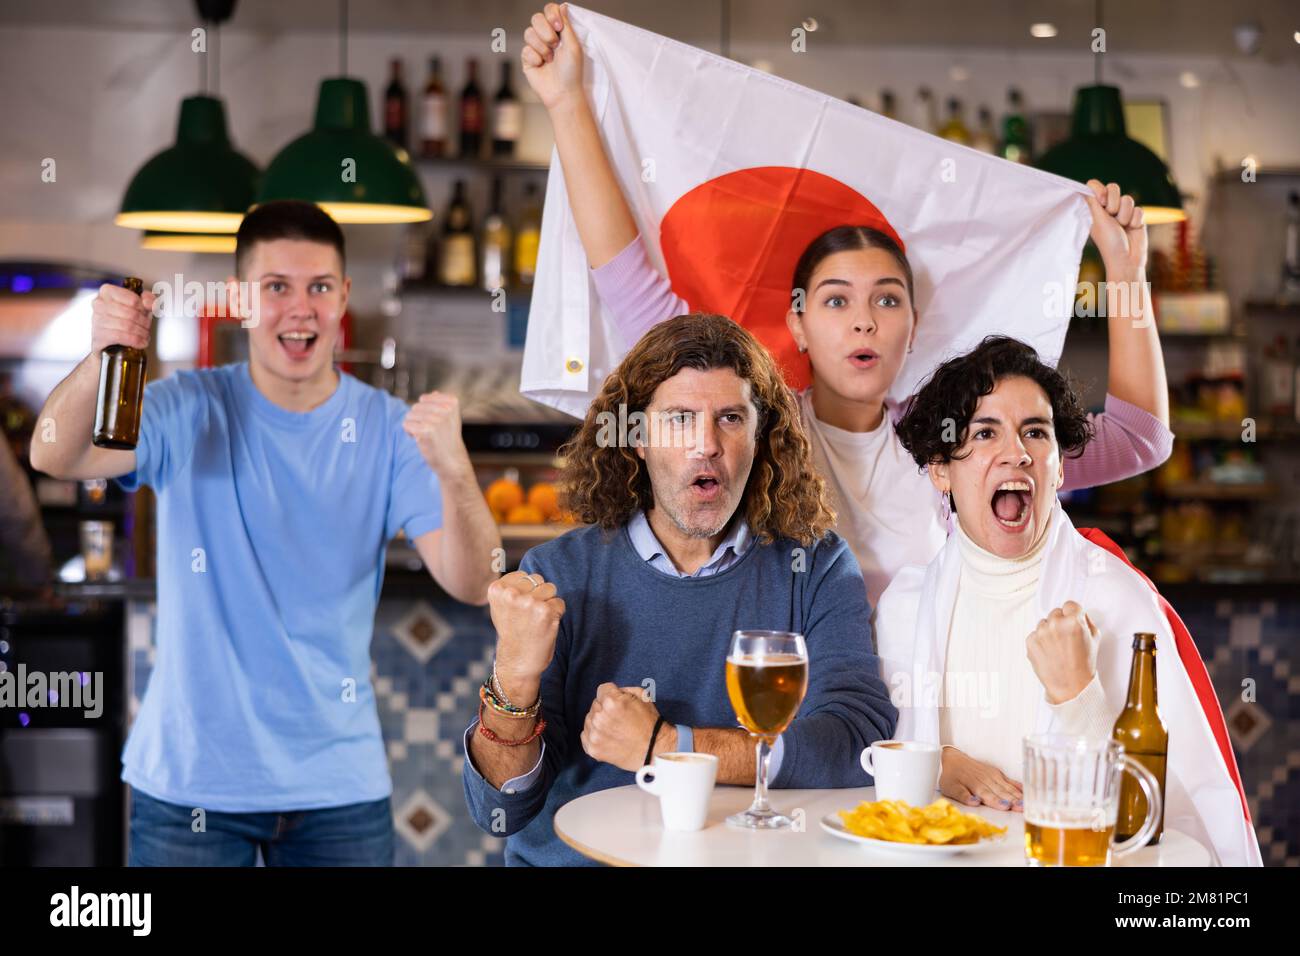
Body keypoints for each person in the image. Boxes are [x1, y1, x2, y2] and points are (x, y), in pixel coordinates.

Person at [519, 2, 1173, 606]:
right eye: (836, 301)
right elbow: (627, 283)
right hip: (788, 719)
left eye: (888, 300)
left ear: (914, 328)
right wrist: (567, 102)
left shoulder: (953, 443)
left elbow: (1138, 441)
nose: (864, 319)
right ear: (797, 325)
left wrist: (1124, 269)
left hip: (930, 730)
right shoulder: (753, 427)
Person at [29, 200, 501, 866]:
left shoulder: (388, 430)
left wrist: (455, 472)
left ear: (343, 296)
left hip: (336, 789)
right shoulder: (185, 406)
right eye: (276, 287)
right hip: (191, 786)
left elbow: (478, 582)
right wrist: (105, 355)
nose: (299, 307)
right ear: (242, 301)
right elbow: (53, 454)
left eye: (318, 286)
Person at [462, 313, 897, 865]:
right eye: (679, 419)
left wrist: (669, 745)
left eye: (731, 418)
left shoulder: (815, 566)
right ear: (637, 441)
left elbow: (853, 743)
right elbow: (500, 809)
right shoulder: (560, 573)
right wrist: (515, 678)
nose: (706, 445)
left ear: (760, 438)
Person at [875, 335, 1261, 866]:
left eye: (1036, 432)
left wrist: (1079, 697)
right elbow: (867, 770)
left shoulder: (1114, 600)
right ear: (940, 469)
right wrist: (936, 762)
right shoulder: (906, 607)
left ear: (1058, 467)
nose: (1016, 453)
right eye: (985, 432)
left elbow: (1172, 825)